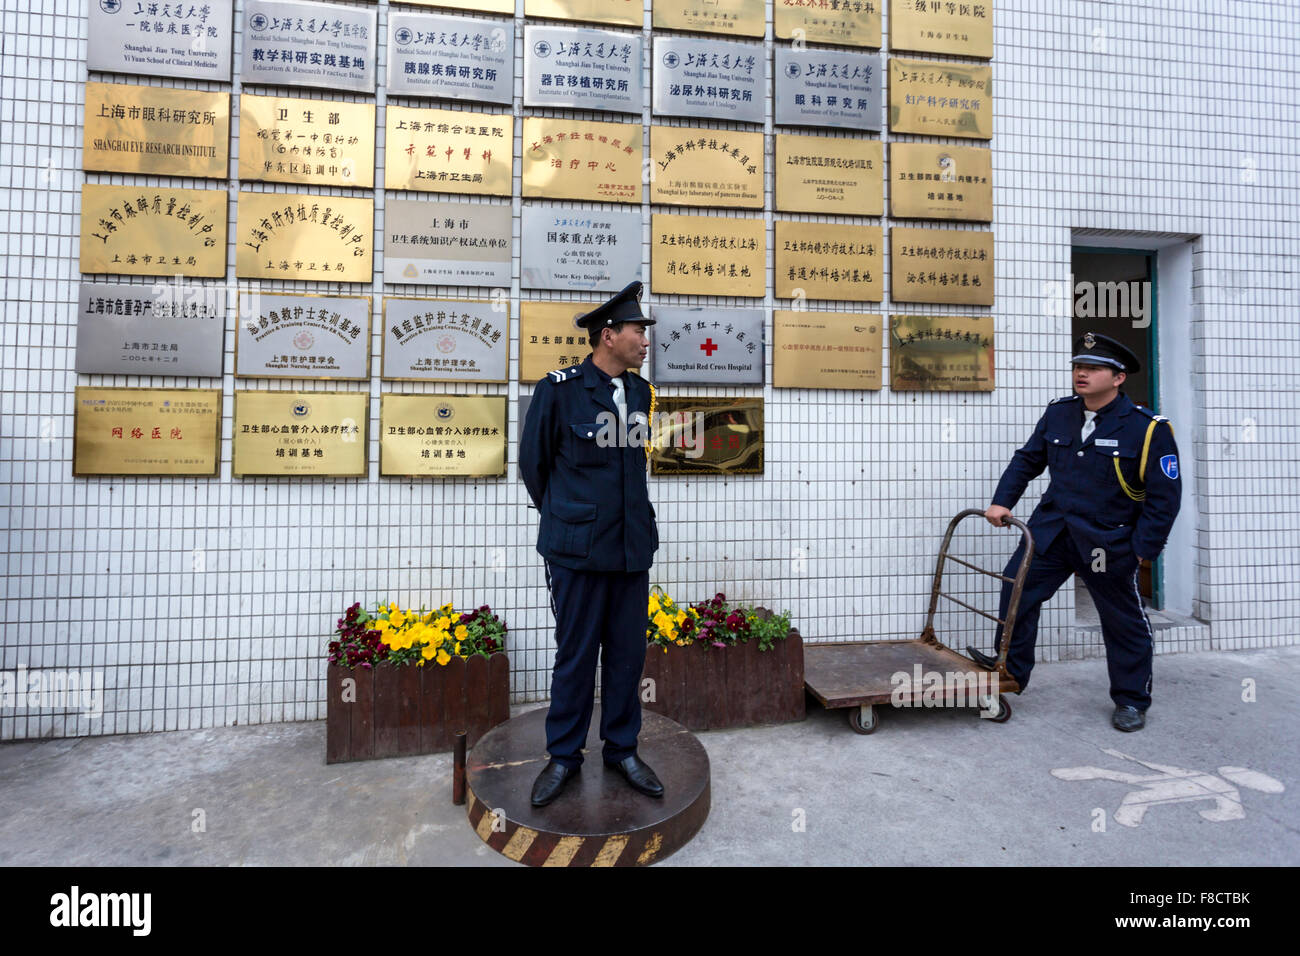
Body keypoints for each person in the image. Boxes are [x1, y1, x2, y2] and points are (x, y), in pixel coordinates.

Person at [968, 332, 1181, 732]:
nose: (1081, 373)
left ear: (1118, 378)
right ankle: (1010, 672)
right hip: (1052, 532)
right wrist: (1002, 501)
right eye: (1078, 366)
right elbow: (1028, 459)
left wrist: (1142, 549)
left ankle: (1132, 700)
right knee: (1017, 589)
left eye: (1094, 368)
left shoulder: (1147, 429)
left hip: (1108, 541)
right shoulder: (1060, 413)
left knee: (1121, 620)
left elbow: (1164, 498)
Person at [518, 280, 664, 806]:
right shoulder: (558, 390)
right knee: (576, 655)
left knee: (628, 654)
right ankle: (563, 756)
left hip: (630, 549)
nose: (645, 341)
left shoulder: (642, 393)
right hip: (577, 551)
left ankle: (622, 749)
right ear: (608, 336)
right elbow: (534, 468)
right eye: (637, 331)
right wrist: (569, 519)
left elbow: (633, 469)